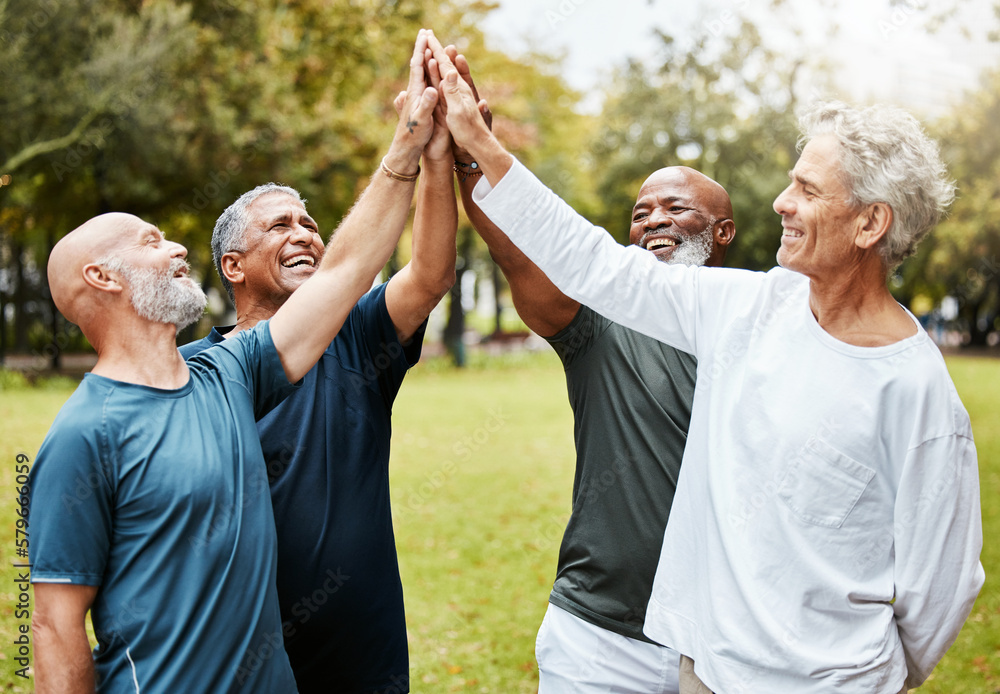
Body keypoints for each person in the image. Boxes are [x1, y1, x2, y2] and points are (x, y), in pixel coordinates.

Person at [431, 38, 984, 694]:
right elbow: (594, 263)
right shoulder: (747, 309)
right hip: (706, 673)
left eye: (806, 190)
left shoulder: (916, 393)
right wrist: (479, 148)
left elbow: (940, 588)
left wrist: (863, 676)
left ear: (870, 225)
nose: (780, 202)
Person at [28, 29, 441, 693]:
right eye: (151, 241)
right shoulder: (83, 435)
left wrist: (409, 140)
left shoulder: (229, 375)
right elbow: (52, 627)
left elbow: (345, 274)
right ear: (102, 278)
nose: (177, 249)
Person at [438, 46, 735, 694]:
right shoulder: (599, 319)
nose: (654, 218)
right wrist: (471, 156)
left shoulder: (756, 325)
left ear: (723, 231)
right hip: (598, 639)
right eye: (641, 211)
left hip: (724, 641)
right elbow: (519, 255)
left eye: (677, 207)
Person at [176, 46, 456, 694]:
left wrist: (436, 156)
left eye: (309, 222)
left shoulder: (357, 334)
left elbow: (432, 272)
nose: (304, 232)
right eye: (280, 225)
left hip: (361, 652)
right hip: (239, 652)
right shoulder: (194, 372)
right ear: (234, 266)